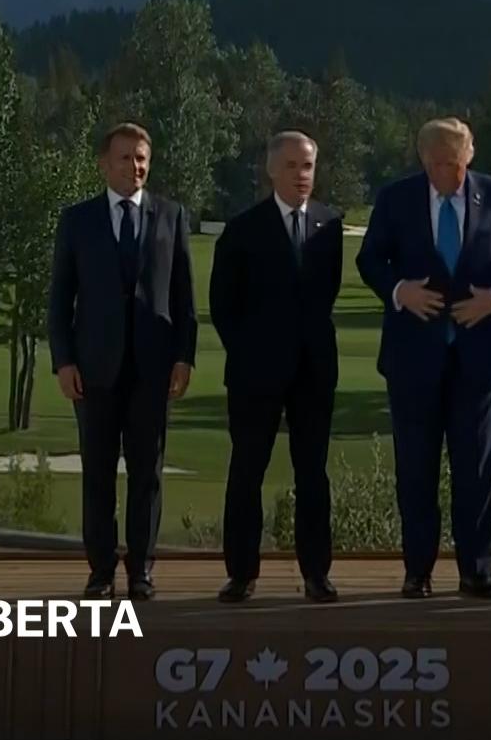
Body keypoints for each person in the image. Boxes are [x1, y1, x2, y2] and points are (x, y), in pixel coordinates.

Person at [356, 117, 491, 599]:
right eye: (439, 164)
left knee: (476, 468)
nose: (449, 174)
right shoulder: (396, 199)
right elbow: (370, 259)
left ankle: (477, 570)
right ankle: (417, 571)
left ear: (470, 155)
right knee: (416, 469)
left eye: (457, 164)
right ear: (423, 159)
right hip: (413, 359)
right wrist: (400, 292)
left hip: (478, 359)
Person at [47, 122, 198, 600]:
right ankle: (100, 571)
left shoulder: (171, 215)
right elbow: (60, 298)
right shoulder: (77, 220)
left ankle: (141, 570)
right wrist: (63, 360)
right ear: (104, 163)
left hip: (153, 368)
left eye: (141, 158)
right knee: (97, 473)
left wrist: (185, 357)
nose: (135, 166)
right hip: (93, 369)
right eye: (125, 157)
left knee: (146, 474)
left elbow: (184, 296)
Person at [211, 131, 344, 604]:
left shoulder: (330, 225)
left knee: (313, 474)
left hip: (314, 372)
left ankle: (316, 574)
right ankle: (241, 573)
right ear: (271, 170)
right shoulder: (242, 229)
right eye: (291, 166)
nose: (301, 175)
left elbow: (325, 296)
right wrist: (252, 354)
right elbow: (223, 307)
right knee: (247, 471)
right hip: (255, 375)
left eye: (307, 166)